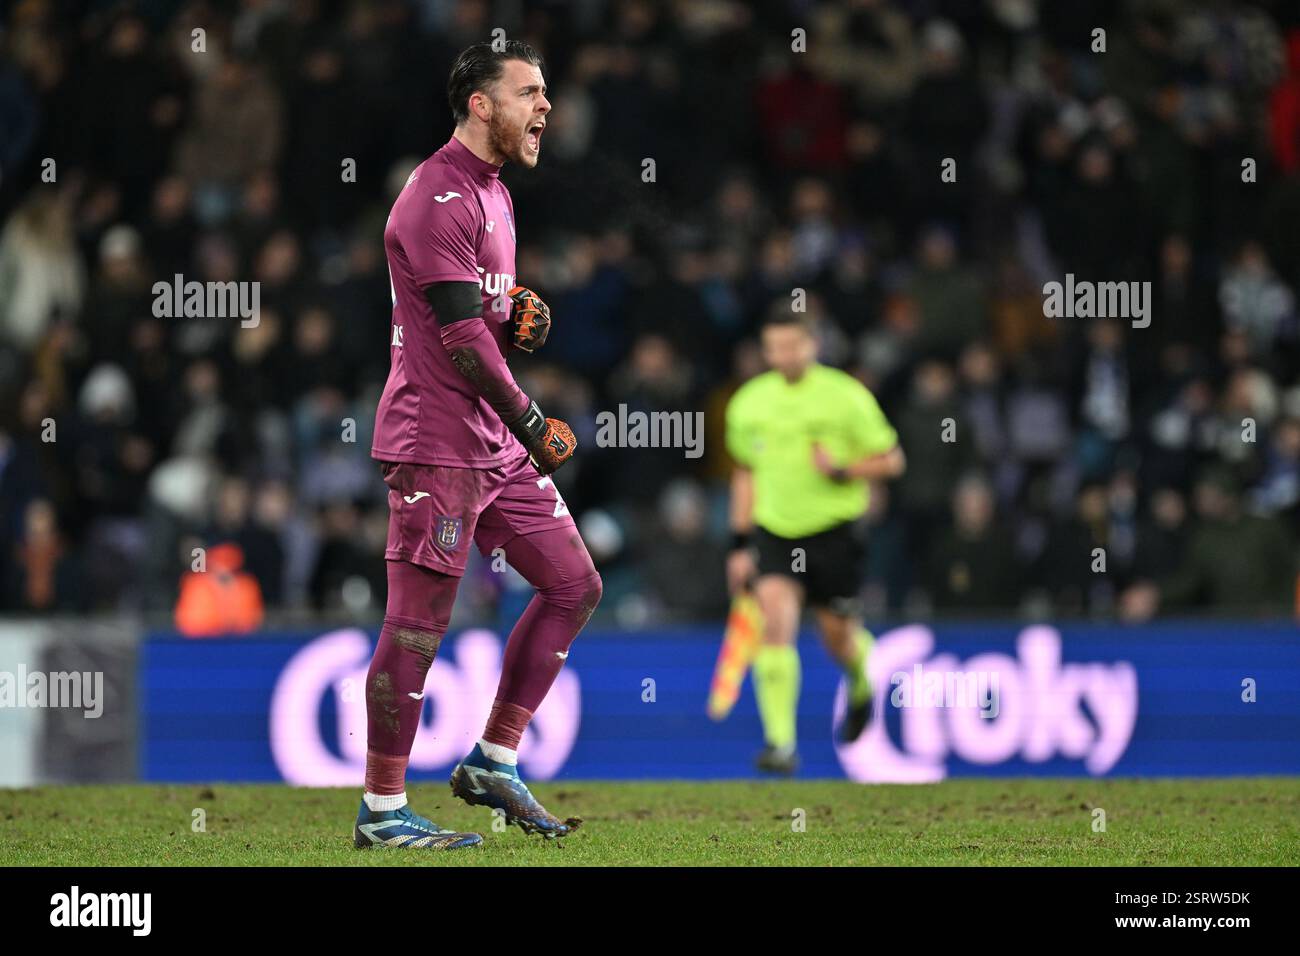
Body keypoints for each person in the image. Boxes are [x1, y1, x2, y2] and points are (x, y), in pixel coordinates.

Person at [354, 41, 600, 850]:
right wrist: (534, 418)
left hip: (490, 445)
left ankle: (494, 757)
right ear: (480, 104)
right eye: (530, 92)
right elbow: (458, 338)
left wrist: (514, 310)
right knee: (418, 626)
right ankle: (383, 811)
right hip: (436, 443)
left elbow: (477, 313)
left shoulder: (495, 194)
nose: (546, 107)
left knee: (574, 584)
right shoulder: (434, 195)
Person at [725, 310, 905, 774]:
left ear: (813, 345)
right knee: (775, 621)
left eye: (793, 345)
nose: (784, 355)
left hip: (835, 533)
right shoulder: (748, 403)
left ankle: (861, 681)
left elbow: (892, 461)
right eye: (775, 347)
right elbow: (744, 474)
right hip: (776, 531)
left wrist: (844, 470)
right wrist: (740, 543)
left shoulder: (846, 396)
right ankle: (781, 746)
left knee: (837, 637)